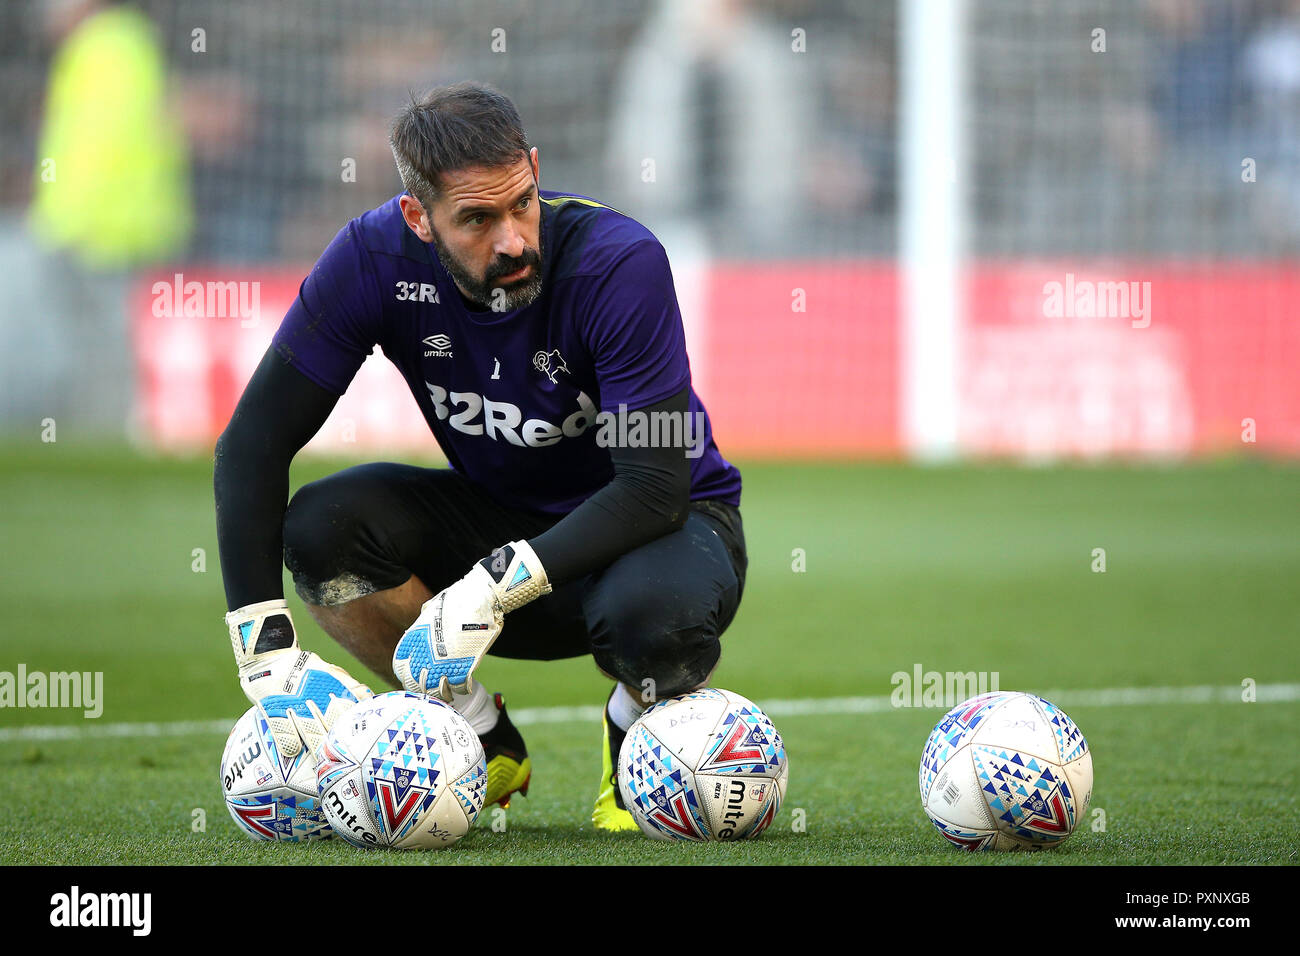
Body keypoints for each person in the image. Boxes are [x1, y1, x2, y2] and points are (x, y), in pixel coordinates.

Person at [214, 82, 746, 832]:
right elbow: (252, 443)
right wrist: (262, 645)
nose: (513, 240)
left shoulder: (619, 263)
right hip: (499, 535)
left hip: (662, 532)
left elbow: (655, 489)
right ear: (417, 218)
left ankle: (632, 740)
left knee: (651, 617)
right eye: (476, 220)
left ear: (535, 169)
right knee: (321, 528)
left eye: (522, 204)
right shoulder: (372, 257)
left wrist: (496, 586)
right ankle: (477, 737)